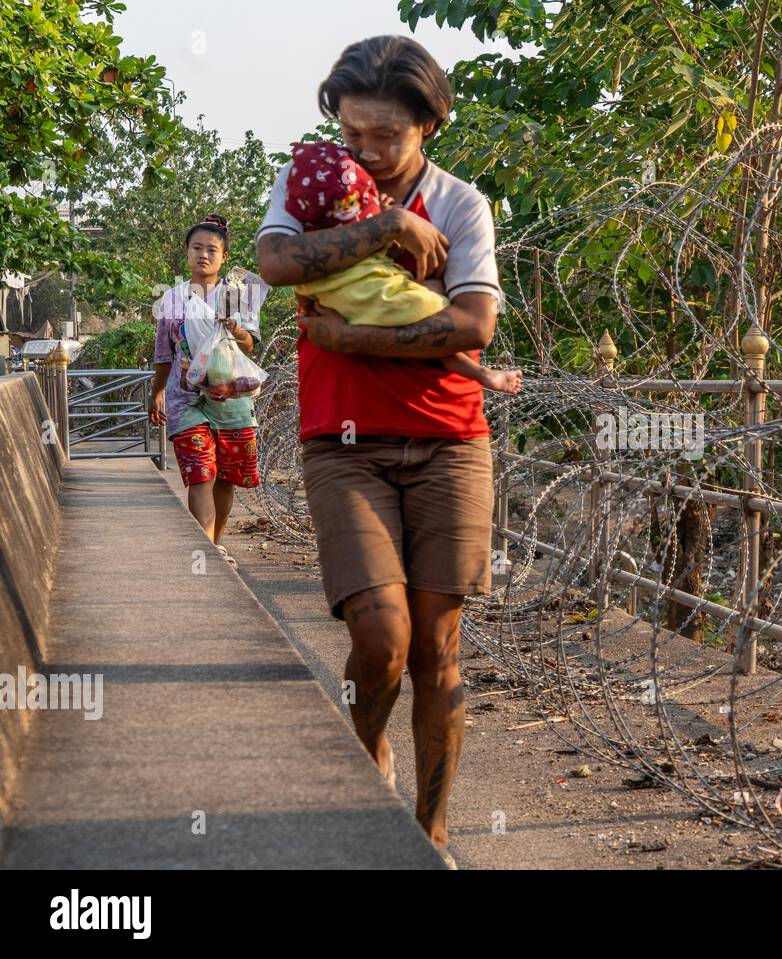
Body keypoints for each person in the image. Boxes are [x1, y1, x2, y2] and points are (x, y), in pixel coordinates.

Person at [257, 34, 504, 867]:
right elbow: (276, 261)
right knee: (382, 638)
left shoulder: (463, 205)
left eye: (384, 137)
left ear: (429, 126)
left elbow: (473, 326)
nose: (364, 149)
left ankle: (429, 835)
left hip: (450, 441)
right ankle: (366, 757)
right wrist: (385, 224)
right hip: (345, 446)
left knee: (438, 646)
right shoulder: (317, 182)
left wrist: (352, 338)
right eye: (351, 130)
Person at [285, 139, 520, 394]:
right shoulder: (358, 234)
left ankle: (481, 373)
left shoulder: (313, 256)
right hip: (387, 300)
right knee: (436, 299)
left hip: (353, 311)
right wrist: (384, 217)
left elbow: (303, 293)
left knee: (428, 302)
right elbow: (394, 249)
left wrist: (312, 310)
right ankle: (482, 373)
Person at [148, 215, 264, 570]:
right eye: (197, 248)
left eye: (212, 249)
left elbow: (249, 346)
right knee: (201, 474)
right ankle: (207, 554)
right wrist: (157, 393)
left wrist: (234, 327)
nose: (203, 255)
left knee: (226, 476)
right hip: (186, 400)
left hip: (231, 397)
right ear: (187, 253)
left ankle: (214, 544)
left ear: (224, 257)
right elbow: (164, 354)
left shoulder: (237, 296)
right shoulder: (172, 299)